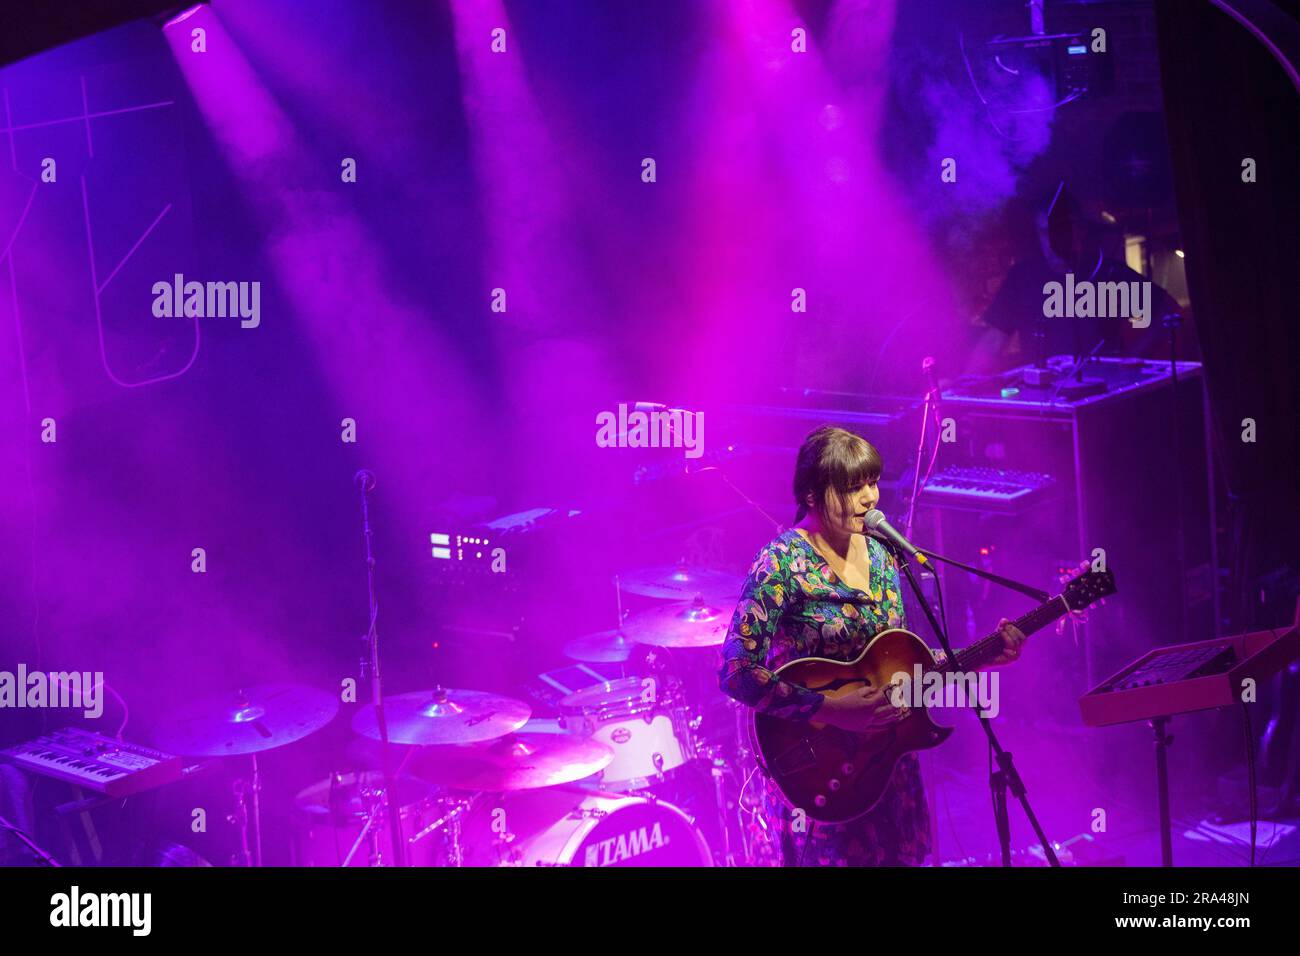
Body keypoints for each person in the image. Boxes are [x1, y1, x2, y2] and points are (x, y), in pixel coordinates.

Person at [718, 425, 1027, 866]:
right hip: (821, 775)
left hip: (888, 771)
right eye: (853, 487)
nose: (871, 498)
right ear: (811, 495)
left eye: (873, 482)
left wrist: (983, 656)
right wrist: (830, 708)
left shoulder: (884, 557)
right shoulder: (781, 563)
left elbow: (901, 666)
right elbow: (736, 673)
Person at [968, 184, 1181, 376]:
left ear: (1078, 230)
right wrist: (966, 381)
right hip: (1044, 400)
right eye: (1045, 232)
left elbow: (1168, 312)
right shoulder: (1022, 277)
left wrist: (1132, 357)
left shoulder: (1108, 274)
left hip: (1103, 396)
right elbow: (994, 337)